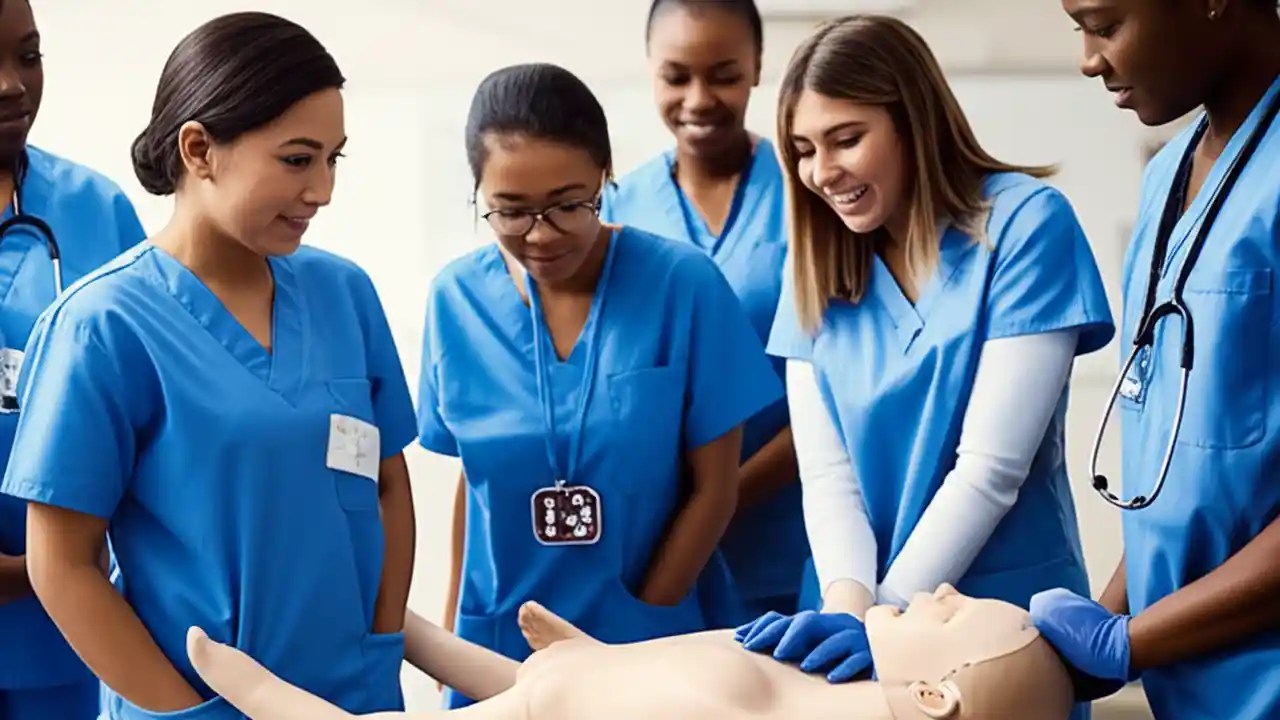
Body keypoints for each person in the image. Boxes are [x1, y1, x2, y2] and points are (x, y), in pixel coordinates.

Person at [0, 12, 418, 720]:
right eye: (296, 158)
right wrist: (189, 714)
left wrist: (380, 643)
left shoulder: (344, 293)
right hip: (197, 707)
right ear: (199, 149)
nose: (322, 189)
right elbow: (61, 564)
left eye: (333, 158)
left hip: (356, 699)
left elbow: (387, 483)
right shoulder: (105, 325)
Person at [733, 13, 1114, 703]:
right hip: (850, 606)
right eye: (804, 150)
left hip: (994, 624)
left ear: (913, 120)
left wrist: (889, 622)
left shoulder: (1025, 227)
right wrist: (852, 613)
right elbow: (827, 475)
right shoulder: (815, 266)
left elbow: (992, 468)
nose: (824, 172)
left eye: (847, 139)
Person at [415, 61, 782, 708]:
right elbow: (473, 486)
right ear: (479, 194)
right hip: (499, 642)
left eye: (569, 205)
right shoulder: (455, 298)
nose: (542, 235)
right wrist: (452, 640)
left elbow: (715, 486)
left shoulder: (682, 285)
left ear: (607, 178)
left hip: (649, 643)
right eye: (511, 212)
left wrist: (647, 615)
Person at [1030, 2, 1280, 718]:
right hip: (1189, 686)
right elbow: (1177, 480)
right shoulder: (1169, 174)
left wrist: (1130, 642)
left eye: (1105, 25)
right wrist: (1107, 625)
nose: (1088, 58)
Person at [601, 0, 808, 620]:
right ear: (649, 70)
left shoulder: (811, 194)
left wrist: (718, 499)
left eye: (723, 74)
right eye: (676, 76)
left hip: (791, 539)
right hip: (652, 549)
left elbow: (842, 383)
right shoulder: (612, 208)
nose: (698, 98)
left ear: (757, 67)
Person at [183, 584, 1077, 720]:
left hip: (574, 707)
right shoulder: (840, 681)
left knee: (531, 697)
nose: (942, 589)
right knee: (543, 681)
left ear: (931, 698)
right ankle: (414, 630)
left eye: (953, 616)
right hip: (594, 681)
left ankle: (271, 698)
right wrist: (600, 665)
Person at [0, 0, 146, 717]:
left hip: (61, 616)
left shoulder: (96, 208)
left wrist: (46, 564)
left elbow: (152, 402)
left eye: (27, 55)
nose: (10, 85)